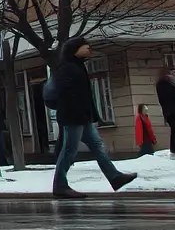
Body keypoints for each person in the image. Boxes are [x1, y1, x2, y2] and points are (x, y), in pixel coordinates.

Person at [49, 37, 138, 199]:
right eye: (85, 46)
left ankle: (115, 177)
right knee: (69, 150)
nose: (89, 48)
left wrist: (92, 115)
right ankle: (60, 185)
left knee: (97, 145)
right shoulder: (66, 68)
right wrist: (79, 113)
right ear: (75, 49)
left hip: (83, 117)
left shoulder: (78, 66)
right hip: (73, 116)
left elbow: (85, 96)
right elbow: (67, 94)